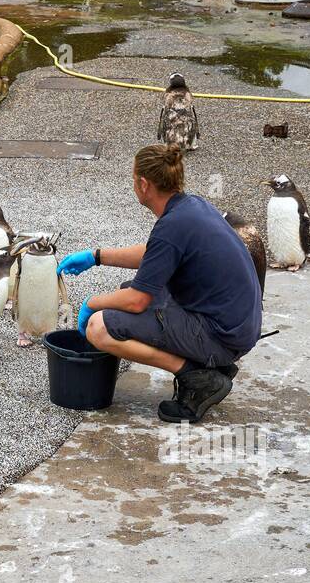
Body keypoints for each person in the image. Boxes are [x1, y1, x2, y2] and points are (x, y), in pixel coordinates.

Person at [59, 142, 262, 423]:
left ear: (143, 184)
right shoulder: (192, 207)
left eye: (133, 180)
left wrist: (90, 303)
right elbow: (156, 252)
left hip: (222, 336)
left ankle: (197, 376)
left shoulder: (172, 225)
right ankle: (212, 366)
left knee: (100, 326)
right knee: (124, 292)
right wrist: (96, 257)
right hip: (236, 325)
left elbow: (137, 300)